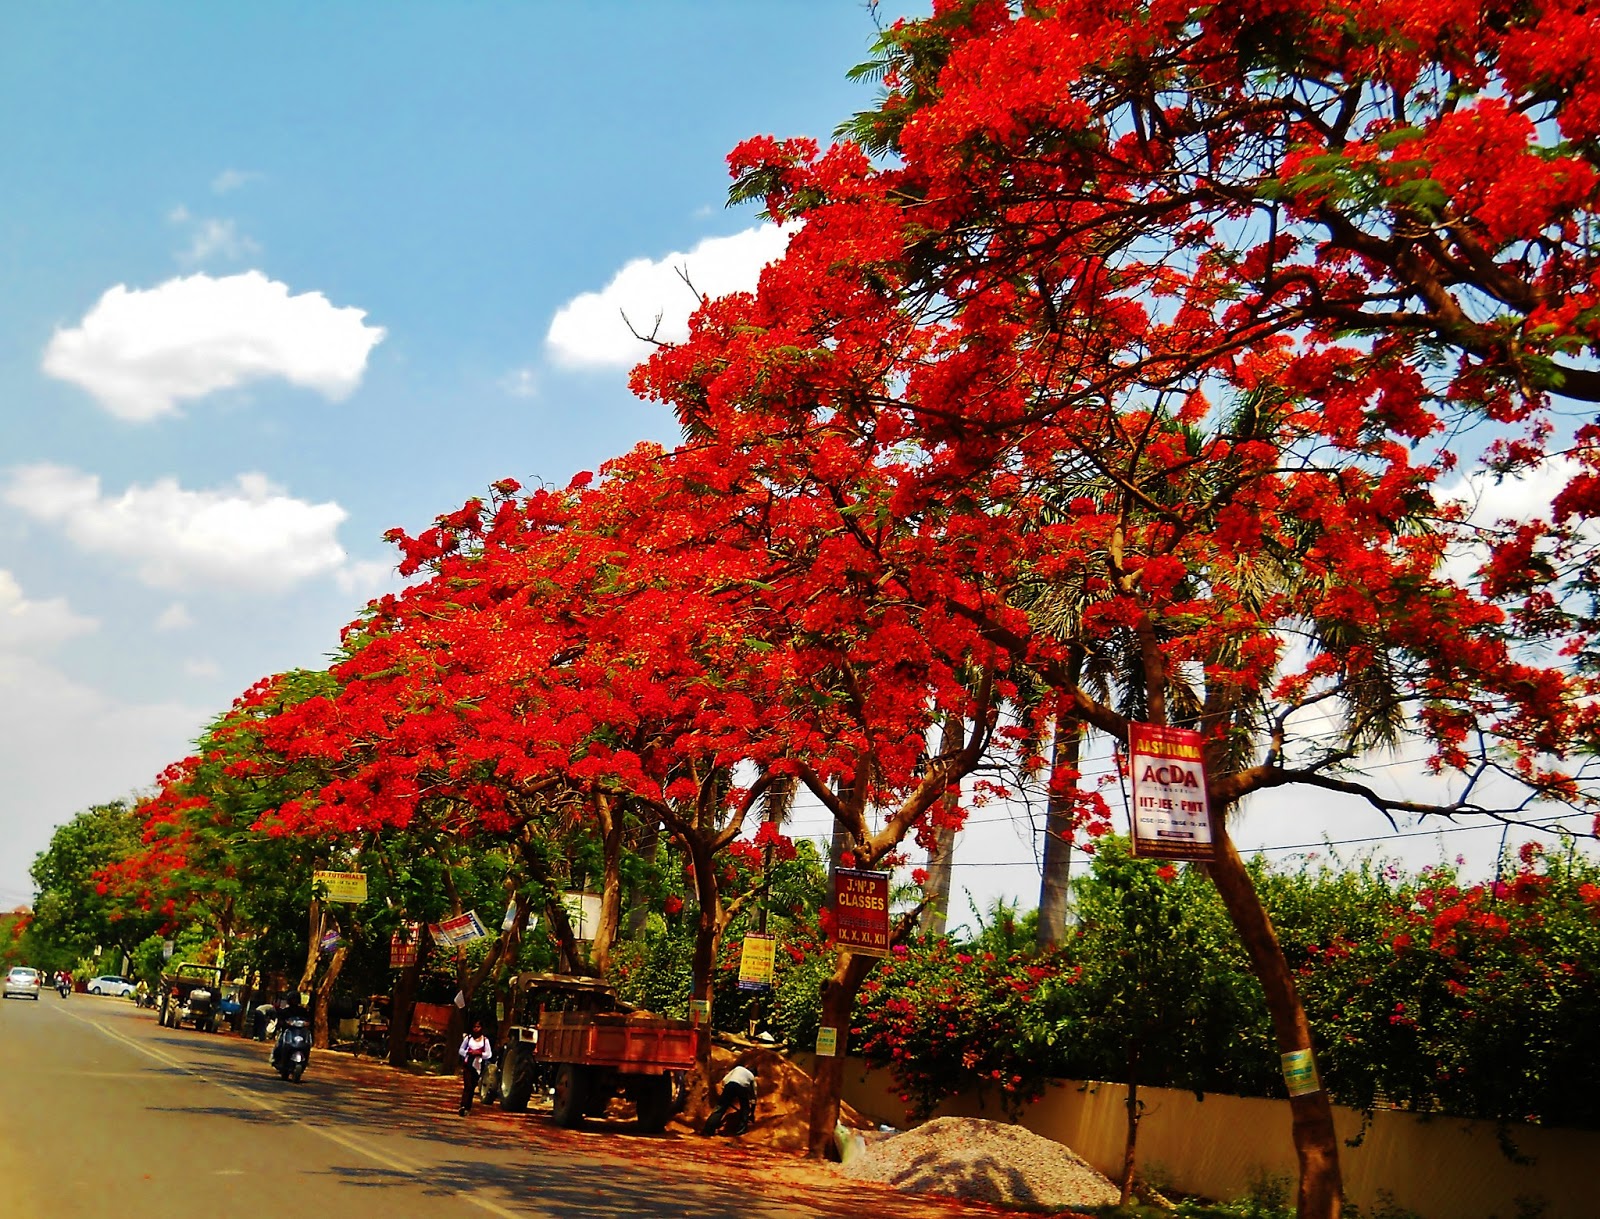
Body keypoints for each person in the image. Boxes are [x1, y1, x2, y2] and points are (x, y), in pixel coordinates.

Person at [457, 1020, 493, 1116]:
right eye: (474, 1027)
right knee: (467, 1086)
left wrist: (479, 1054)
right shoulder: (468, 1039)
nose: (476, 1029)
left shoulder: (485, 1041)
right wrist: (467, 1053)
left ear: (481, 1028)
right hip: (468, 1064)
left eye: (478, 1027)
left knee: (472, 1087)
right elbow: (461, 1050)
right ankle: (463, 1106)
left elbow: (489, 1054)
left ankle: (468, 1107)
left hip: (478, 1066)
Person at [711, 1063, 757, 1132]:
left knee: (720, 1107)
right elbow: (754, 1096)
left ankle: (708, 1129)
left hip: (730, 1085)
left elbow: (724, 1080)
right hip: (742, 1088)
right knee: (745, 1108)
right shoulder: (751, 1076)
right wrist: (752, 1113)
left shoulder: (738, 1068)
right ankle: (741, 1130)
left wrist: (725, 1092)